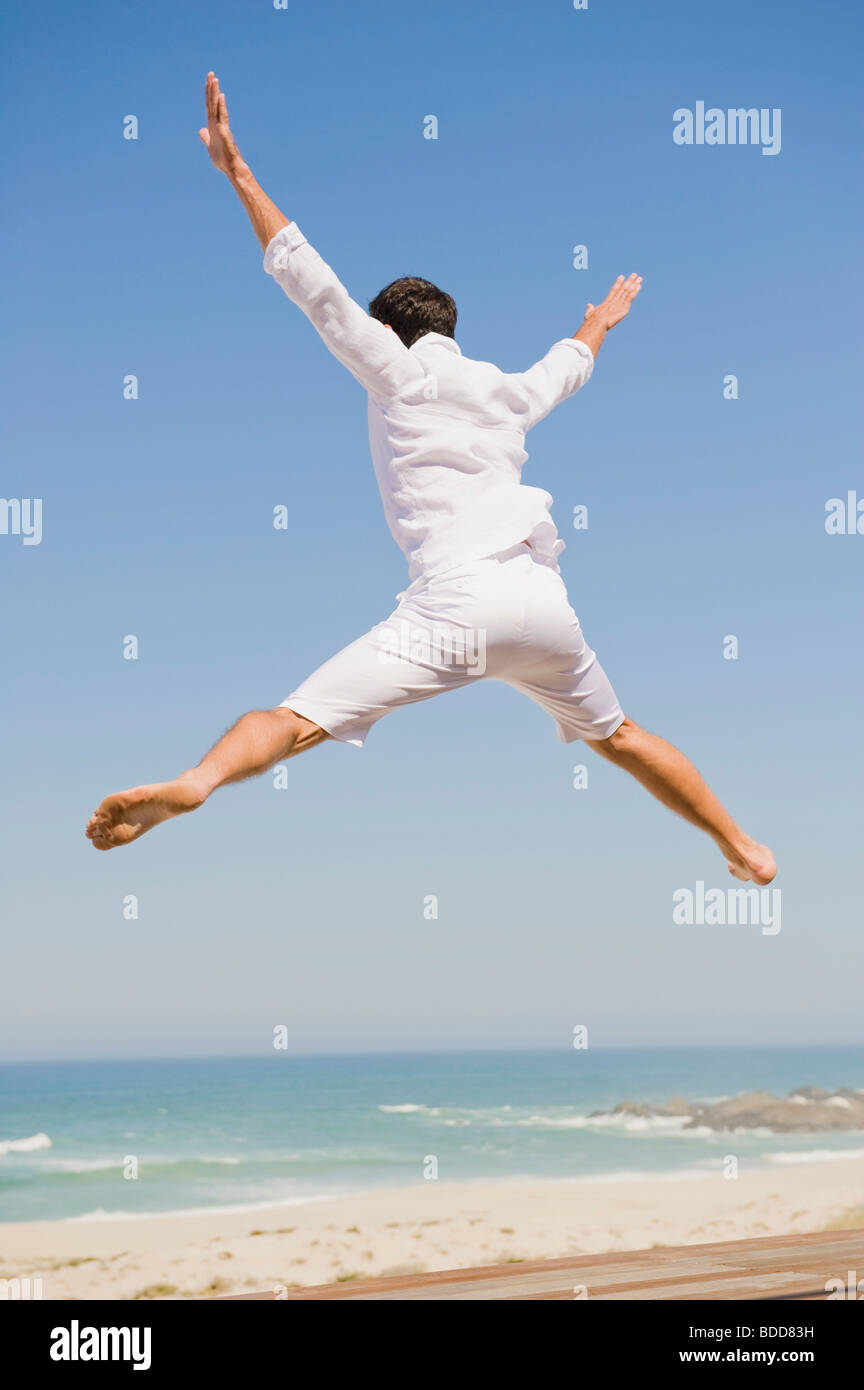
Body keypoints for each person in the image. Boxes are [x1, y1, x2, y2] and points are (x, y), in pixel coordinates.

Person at [86, 73, 776, 888]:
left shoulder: (394, 369)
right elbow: (570, 364)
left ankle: (197, 782)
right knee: (619, 737)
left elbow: (312, 284)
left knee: (296, 719)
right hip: (543, 606)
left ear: (392, 331)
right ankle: (743, 847)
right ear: (451, 330)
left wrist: (239, 174)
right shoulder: (506, 392)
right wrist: (601, 318)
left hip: (454, 606)